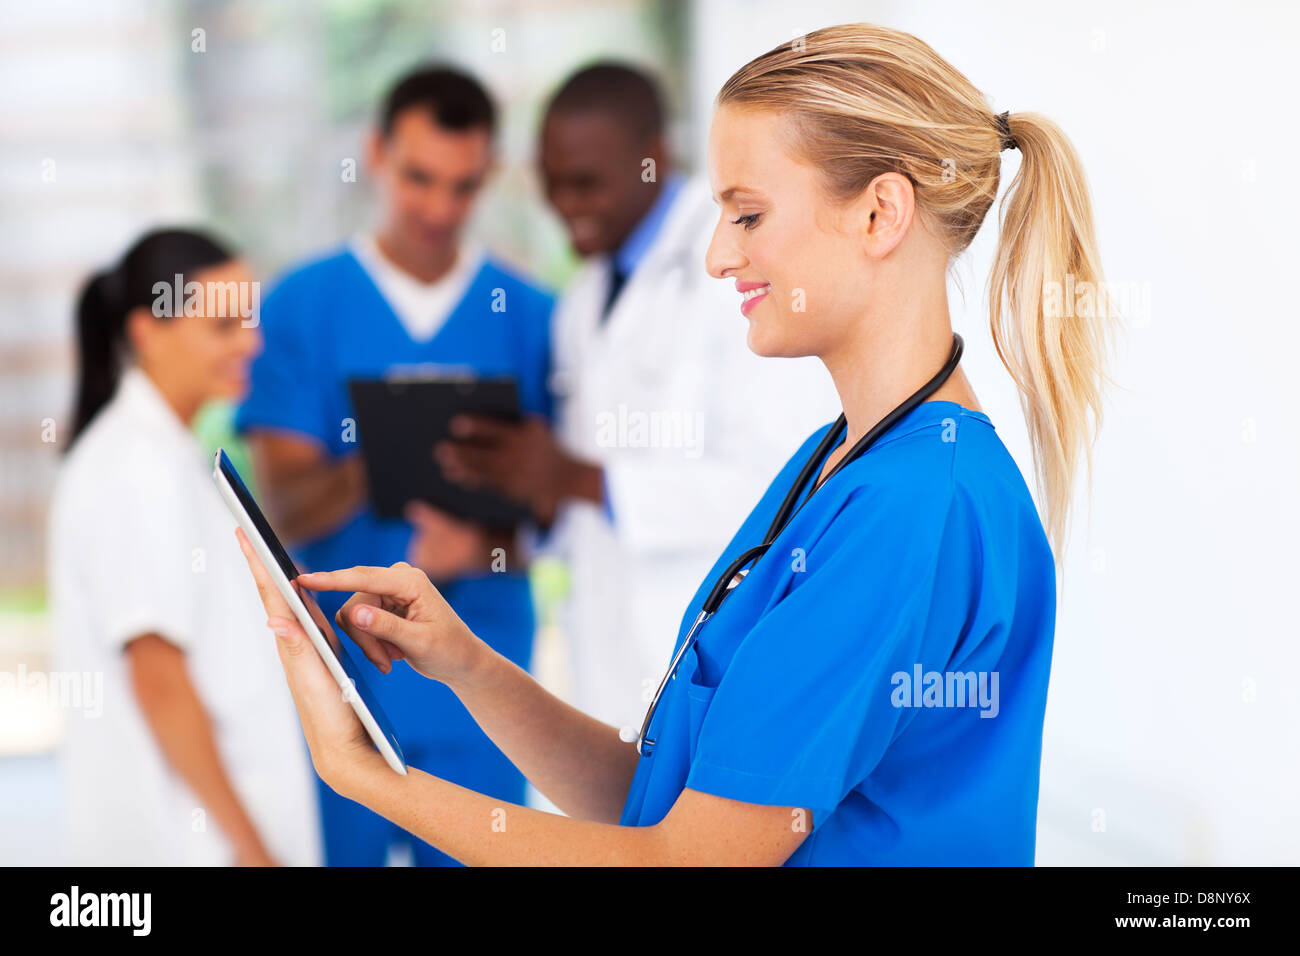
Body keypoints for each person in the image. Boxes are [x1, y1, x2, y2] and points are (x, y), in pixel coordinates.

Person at [236, 23, 1112, 865]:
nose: (716, 257)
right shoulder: (834, 462)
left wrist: (361, 772)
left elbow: (683, 864)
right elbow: (659, 804)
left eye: (749, 215)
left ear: (880, 213)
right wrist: (465, 662)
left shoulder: (915, 509)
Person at [437, 63, 837, 736]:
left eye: (585, 181)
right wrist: (509, 507)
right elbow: (581, 513)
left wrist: (573, 477)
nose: (564, 202)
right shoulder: (579, 303)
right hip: (608, 667)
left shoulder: (739, 277)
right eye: (550, 181)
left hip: (714, 668)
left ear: (652, 158)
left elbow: (781, 488)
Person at [233, 65, 553, 866]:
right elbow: (288, 511)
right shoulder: (303, 305)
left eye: (464, 186)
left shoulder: (529, 315)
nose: (440, 209)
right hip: (348, 678)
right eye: (419, 178)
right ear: (374, 153)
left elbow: (554, 520)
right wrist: (391, 444)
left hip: (483, 687)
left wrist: (471, 551)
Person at [48, 228, 321, 866]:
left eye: (248, 322)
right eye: (223, 327)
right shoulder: (129, 467)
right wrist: (253, 852)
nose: (251, 343)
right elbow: (159, 677)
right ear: (148, 332)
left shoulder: (173, 458)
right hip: (192, 848)